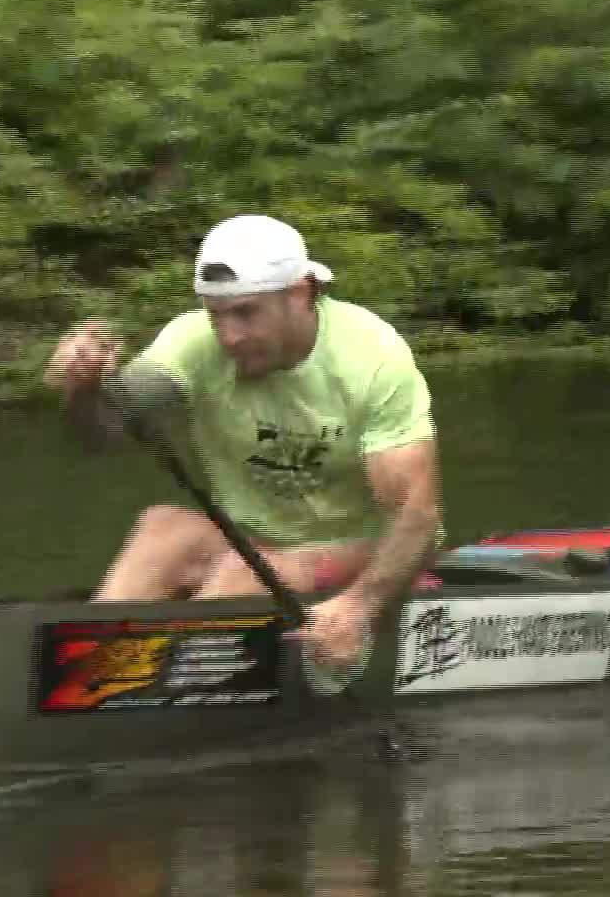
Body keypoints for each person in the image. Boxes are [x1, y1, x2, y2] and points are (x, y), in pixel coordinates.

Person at [43, 214, 443, 670]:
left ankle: (167, 683)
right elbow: (102, 430)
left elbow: (418, 519)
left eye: (246, 313)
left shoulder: (372, 358)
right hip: (253, 543)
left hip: (361, 551)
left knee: (246, 570)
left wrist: (357, 609)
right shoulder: (194, 341)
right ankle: (84, 672)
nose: (229, 336)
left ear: (300, 294)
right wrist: (84, 388)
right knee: (163, 529)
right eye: (217, 315)